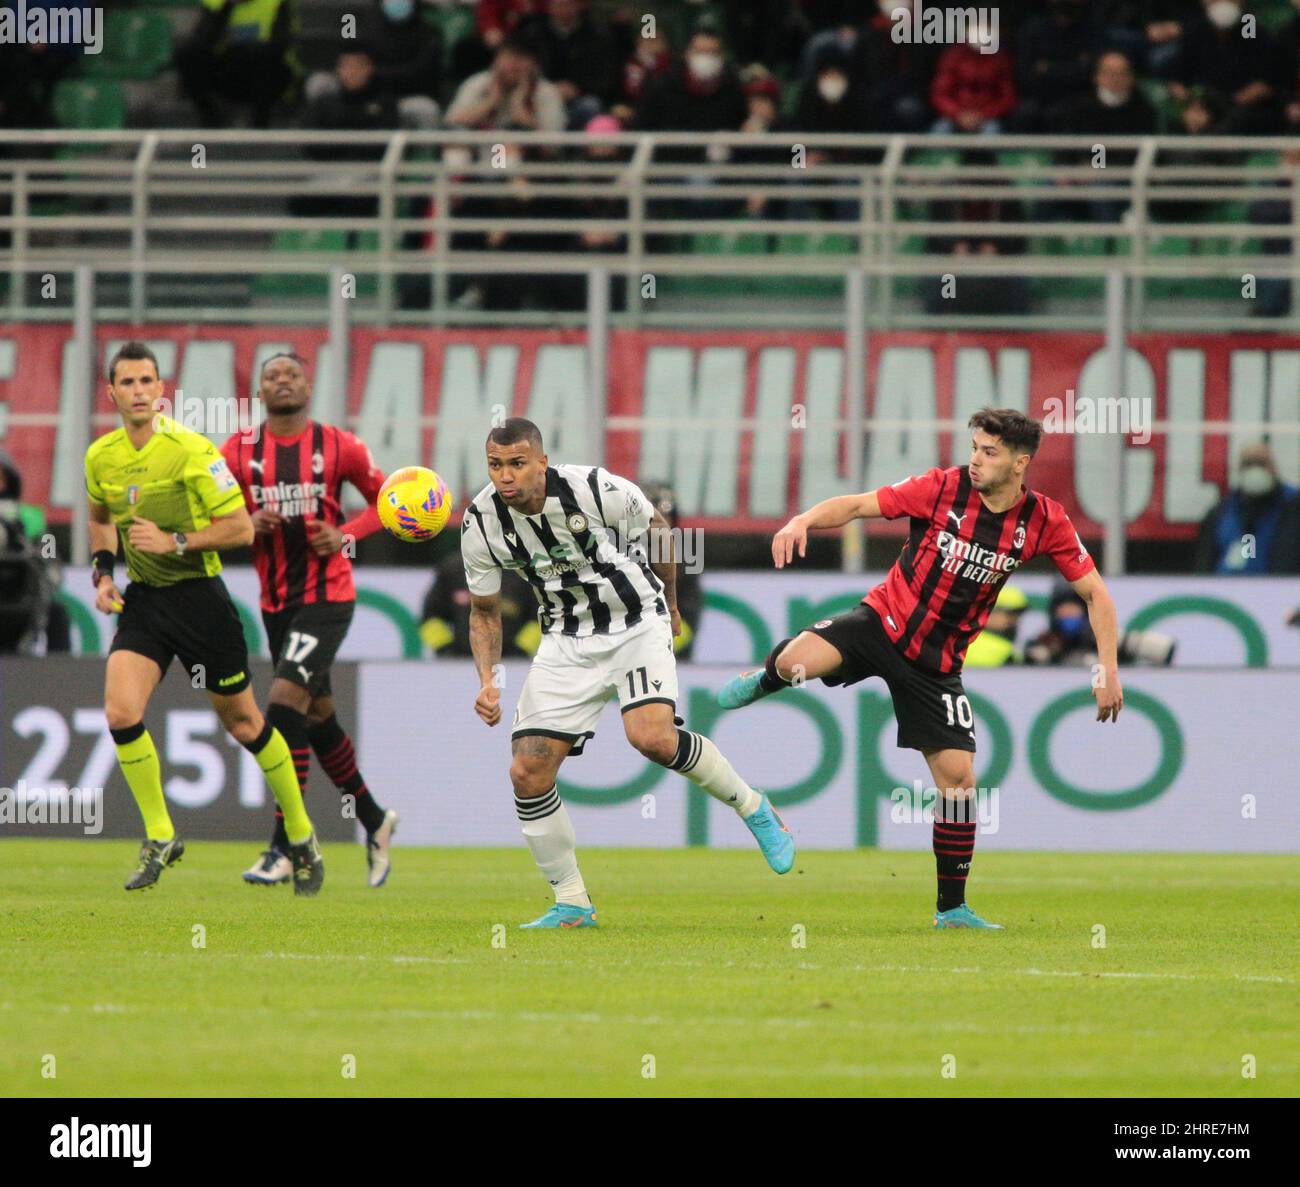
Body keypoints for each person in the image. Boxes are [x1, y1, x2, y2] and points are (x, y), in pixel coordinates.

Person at [716, 408, 1123, 930]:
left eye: (989, 452)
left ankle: (951, 907)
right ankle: (764, 679)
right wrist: (803, 520)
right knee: (797, 662)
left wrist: (1106, 669)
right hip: (880, 624)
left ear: (1021, 463)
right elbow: (859, 504)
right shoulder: (940, 488)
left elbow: (1096, 594)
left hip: (936, 666)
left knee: (958, 781)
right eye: (974, 447)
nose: (975, 459)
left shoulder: (1045, 520)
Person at [461, 418, 795, 929]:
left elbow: (659, 532)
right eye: (495, 465)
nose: (505, 477)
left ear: (542, 462)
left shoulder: (596, 488)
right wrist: (488, 679)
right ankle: (572, 902)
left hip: (634, 621)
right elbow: (484, 612)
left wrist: (675, 606)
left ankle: (754, 808)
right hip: (564, 641)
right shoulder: (480, 523)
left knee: (653, 739)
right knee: (526, 771)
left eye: (517, 463)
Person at [85, 342, 323, 893]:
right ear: (112, 392)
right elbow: (100, 516)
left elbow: (239, 528)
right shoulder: (101, 456)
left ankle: (303, 837)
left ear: (161, 389)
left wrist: (174, 541)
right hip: (145, 600)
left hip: (201, 602)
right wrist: (102, 573)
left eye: (148, 381)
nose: (140, 391)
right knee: (120, 712)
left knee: (243, 724)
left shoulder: (192, 451)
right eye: (128, 383)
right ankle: (161, 835)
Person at [222, 353, 399, 887]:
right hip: (275, 603)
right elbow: (212, 514)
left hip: (328, 596)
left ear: (308, 385)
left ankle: (286, 845)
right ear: (259, 391)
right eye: (272, 376)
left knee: (280, 707)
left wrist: (345, 535)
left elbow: (387, 502)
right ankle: (374, 820)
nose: (282, 381)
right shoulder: (237, 453)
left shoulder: (340, 446)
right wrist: (246, 522)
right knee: (318, 719)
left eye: (291, 374)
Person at [175, 0, 300, 128]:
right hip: (229, 71)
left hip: (268, 73)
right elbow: (202, 42)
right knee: (187, 53)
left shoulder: (276, 3)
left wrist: (246, 49)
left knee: (264, 58)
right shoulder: (215, 4)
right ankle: (210, 117)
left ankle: (260, 122)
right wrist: (225, 9)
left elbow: (281, 45)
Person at [1194, 441, 1300, 574]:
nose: (1255, 470)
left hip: (1280, 590)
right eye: (1248, 464)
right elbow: (1205, 561)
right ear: (1239, 468)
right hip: (1229, 590)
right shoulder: (1221, 512)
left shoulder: (1294, 507)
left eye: (1261, 463)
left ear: (1274, 467)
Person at [1024, 583, 1177, 667]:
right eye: (1063, 609)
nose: (1068, 613)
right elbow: (1028, 670)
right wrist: (1053, 651)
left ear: (1086, 611)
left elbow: (1164, 649)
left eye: (1073, 608)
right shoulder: (1044, 642)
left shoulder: (1105, 638)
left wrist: (1108, 642)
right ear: (1054, 613)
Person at [421, 552, 540, 657]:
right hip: (461, 661)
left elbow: (540, 617)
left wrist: (521, 650)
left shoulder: (523, 570)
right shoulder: (453, 569)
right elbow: (430, 617)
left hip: (510, 664)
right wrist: (444, 648)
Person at [962, 582, 1029, 667]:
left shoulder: (957, 639)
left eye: (1019, 614)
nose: (1015, 620)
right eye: (1011, 614)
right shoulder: (1005, 653)